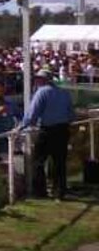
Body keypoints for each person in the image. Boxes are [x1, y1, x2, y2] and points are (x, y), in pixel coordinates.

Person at [23, 68, 75, 199]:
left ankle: (40, 192)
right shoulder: (64, 93)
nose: (36, 81)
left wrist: (22, 126)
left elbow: (32, 113)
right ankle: (59, 192)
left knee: (38, 161)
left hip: (48, 130)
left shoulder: (42, 92)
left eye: (38, 79)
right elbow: (71, 114)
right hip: (63, 130)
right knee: (59, 161)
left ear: (43, 80)